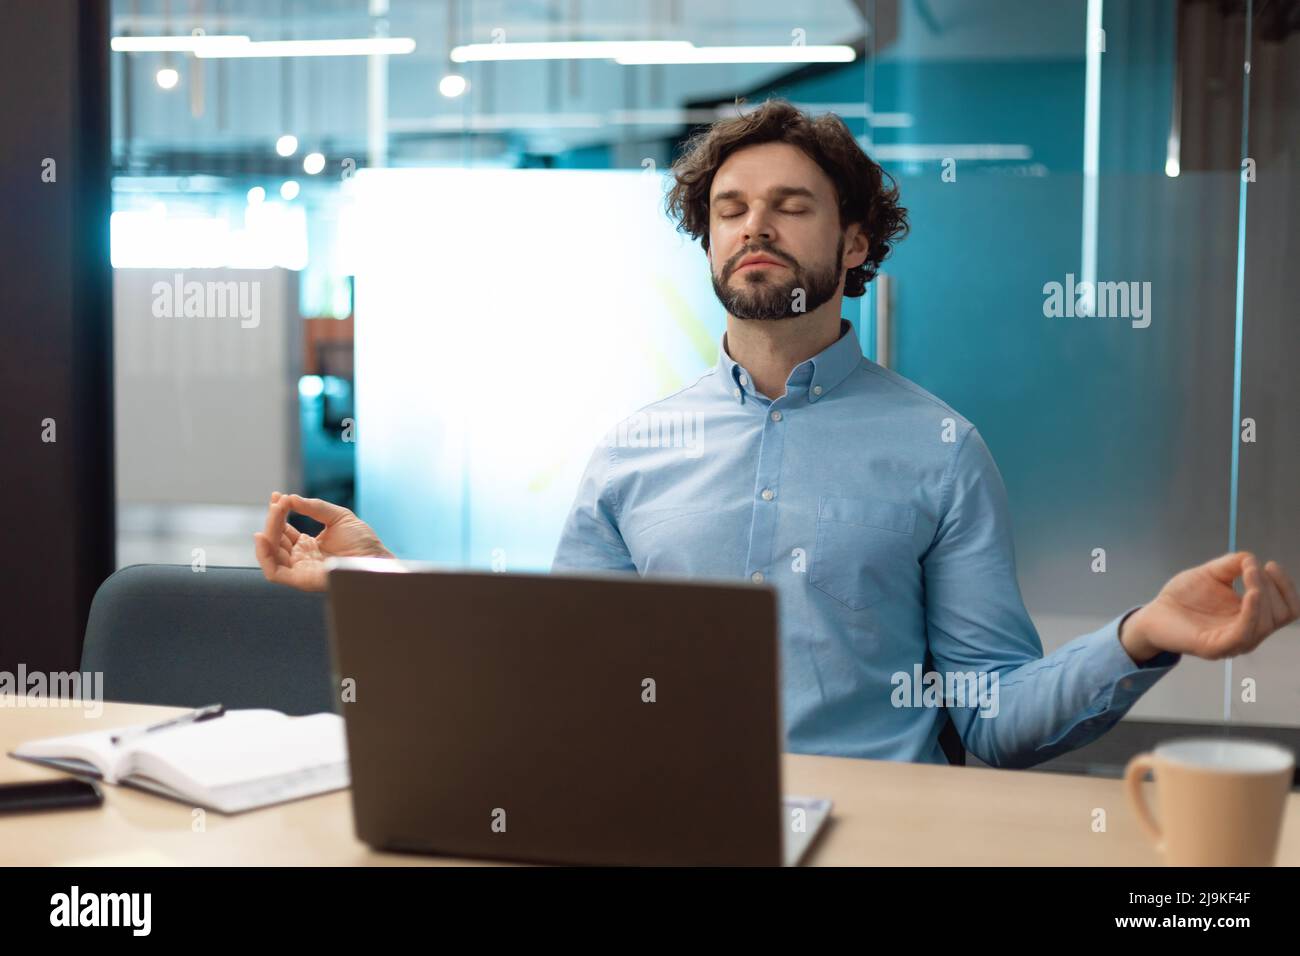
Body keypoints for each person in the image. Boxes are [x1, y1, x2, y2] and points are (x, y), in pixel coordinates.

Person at [255, 99, 1298, 767]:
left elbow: (989, 717)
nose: (753, 225)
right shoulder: (632, 449)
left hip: (877, 831)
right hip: (656, 825)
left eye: (790, 206)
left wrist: (1143, 632)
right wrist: (381, 574)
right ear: (706, 240)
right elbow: (555, 669)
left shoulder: (940, 449)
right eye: (730, 207)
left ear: (852, 243)